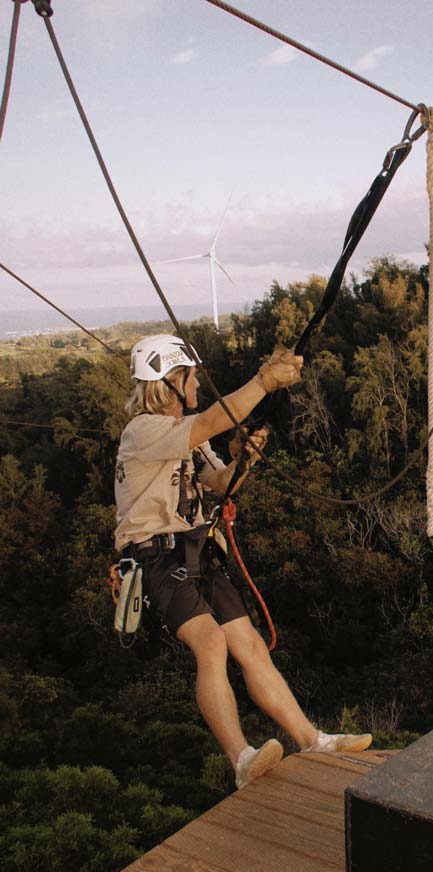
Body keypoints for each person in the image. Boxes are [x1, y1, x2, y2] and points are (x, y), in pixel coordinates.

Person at [114, 334, 371, 788]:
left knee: (249, 645)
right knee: (211, 644)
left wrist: (246, 460)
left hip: (197, 549)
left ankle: (313, 739)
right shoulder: (145, 430)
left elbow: (220, 481)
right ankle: (242, 760)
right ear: (174, 382)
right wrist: (264, 382)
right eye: (191, 376)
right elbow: (213, 419)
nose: (197, 384)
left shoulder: (184, 437)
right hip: (157, 556)